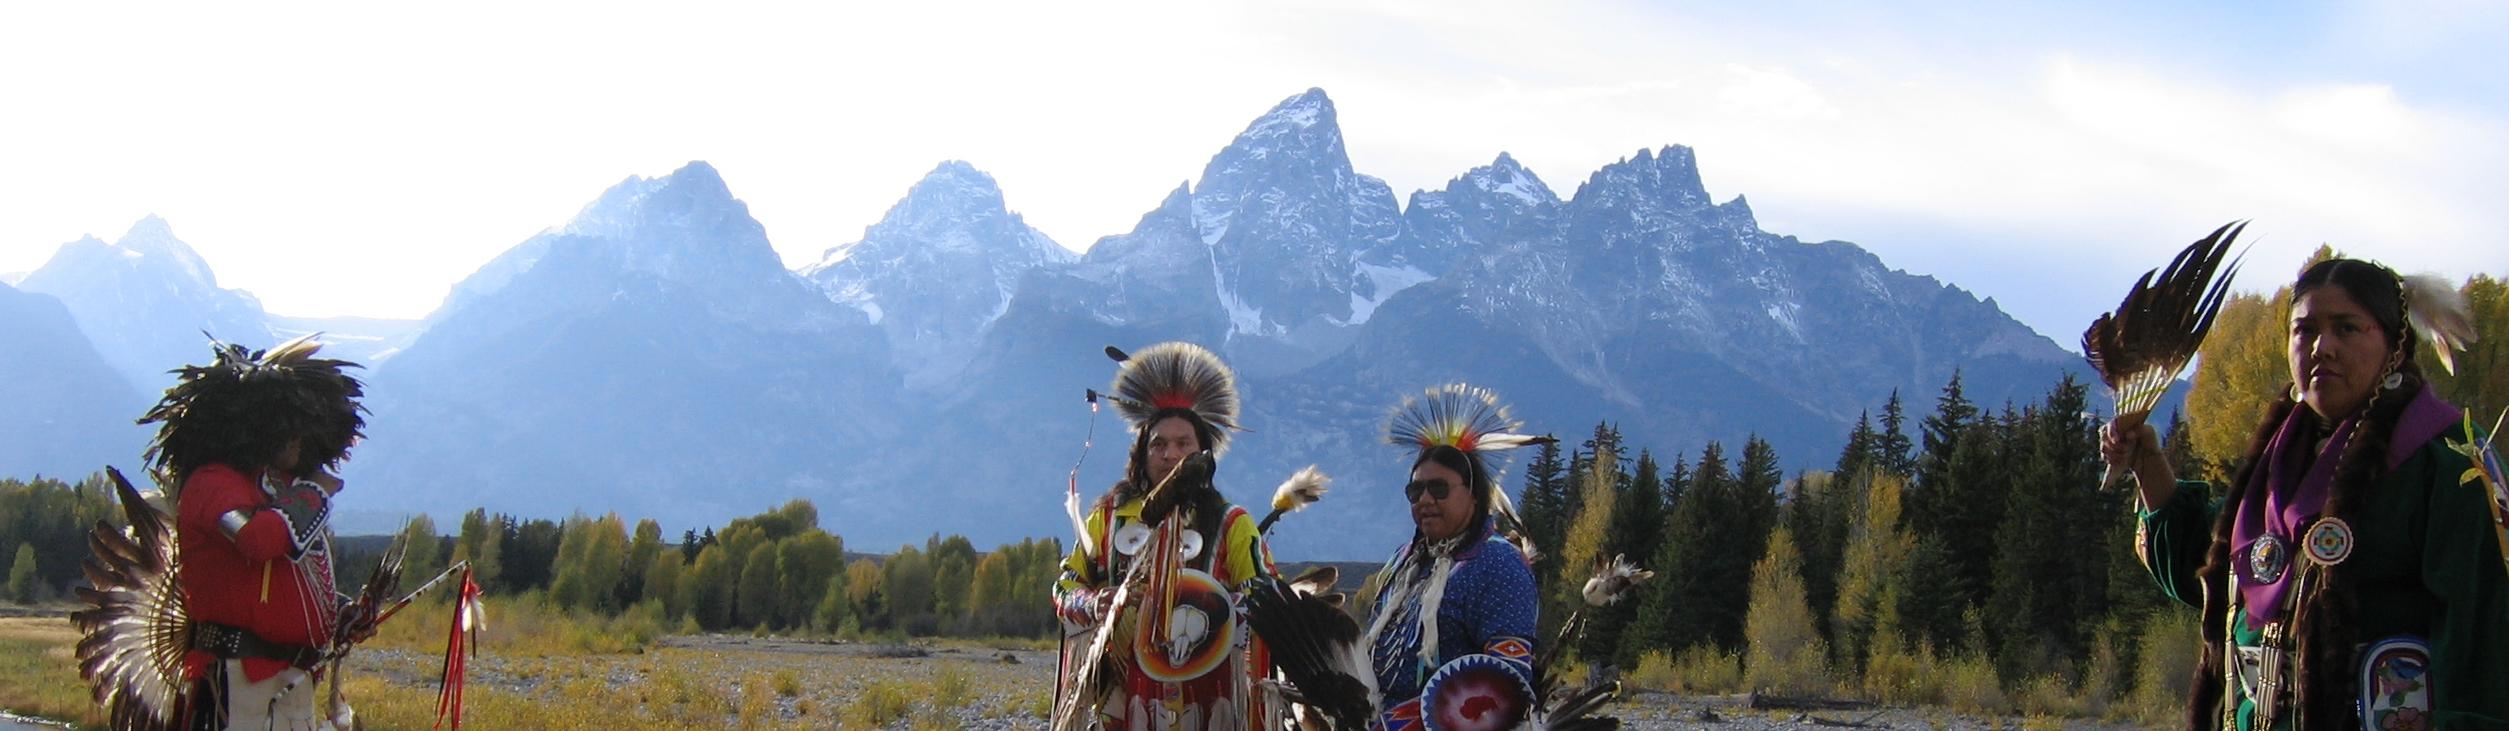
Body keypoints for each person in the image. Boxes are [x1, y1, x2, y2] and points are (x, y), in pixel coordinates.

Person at [2103, 258, 2508, 729]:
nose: (2322, 348)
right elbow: (2221, 577)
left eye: (2347, 328)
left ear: (2396, 347)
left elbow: (2485, 635)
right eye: (2305, 330)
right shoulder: (2275, 465)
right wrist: (2148, 463)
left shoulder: (2450, 461)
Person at [132, 335, 368, 730]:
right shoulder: (212, 483)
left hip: (290, 681)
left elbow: (287, 579)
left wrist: (341, 617)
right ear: (260, 429)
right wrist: (313, 491)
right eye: (289, 430)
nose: (298, 441)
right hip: (237, 679)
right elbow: (257, 540)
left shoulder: (273, 488)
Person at [1053, 341, 1277, 730]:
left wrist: (1217, 608)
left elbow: (1270, 599)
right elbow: (1065, 586)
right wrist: (1096, 605)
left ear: (1203, 453)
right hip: (1121, 705)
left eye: (1182, 444)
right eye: (1159, 444)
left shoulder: (1231, 524)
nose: (1170, 455)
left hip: (1208, 705)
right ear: (1142, 452)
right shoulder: (1108, 519)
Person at [1363, 384, 1542, 731]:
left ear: (1473, 495)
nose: (1425, 499)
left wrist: (1399, 723)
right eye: (1416, 490)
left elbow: (1507, 687)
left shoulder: (1497, 565)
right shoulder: (1404, 562)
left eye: (1439, 488)